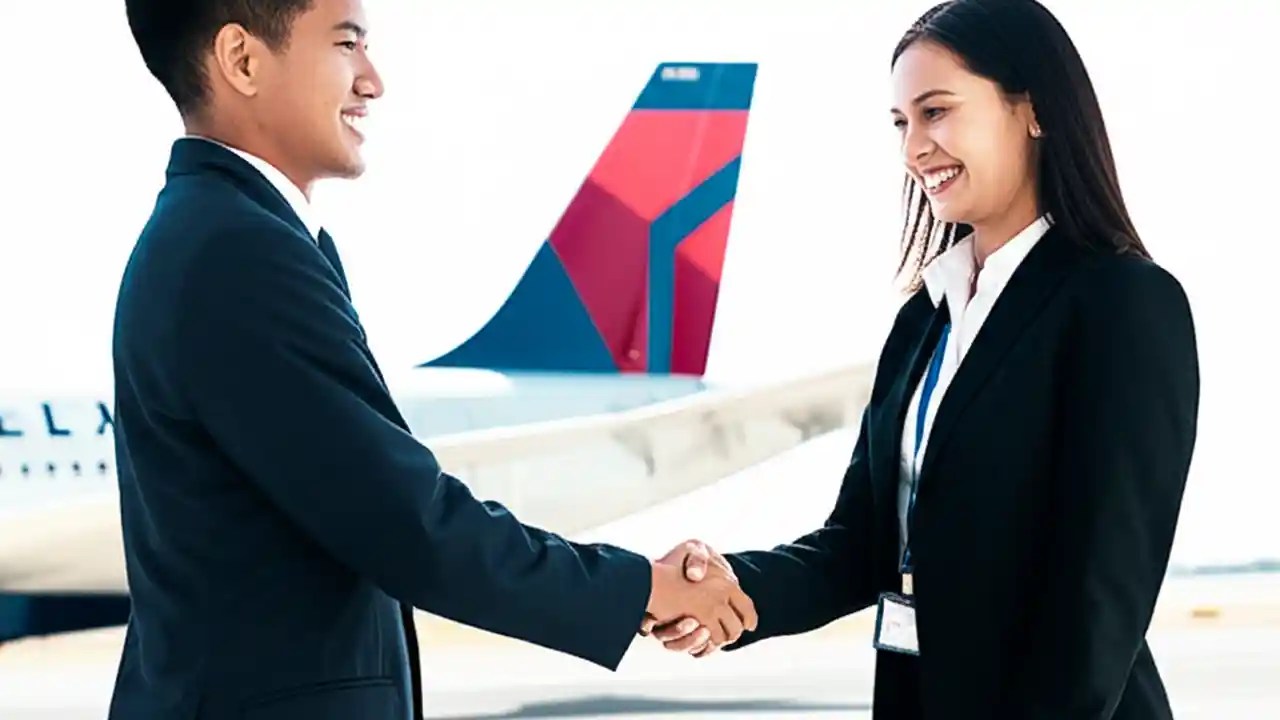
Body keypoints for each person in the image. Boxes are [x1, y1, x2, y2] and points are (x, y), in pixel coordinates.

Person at [109, 1, 756, 718]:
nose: (372, 80)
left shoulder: (224, 234)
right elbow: (404, 522)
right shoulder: (238, 250)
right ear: (243, 61)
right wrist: (639, 589)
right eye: (346, 44)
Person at [643, 1, 1199, 718]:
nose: (914, 149)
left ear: (1033, 109)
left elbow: (1101, 596)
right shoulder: (923, 321)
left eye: (936, 112)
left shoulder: (1122, 303)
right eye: (901, 123)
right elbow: (858, 546)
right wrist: (727, 590)